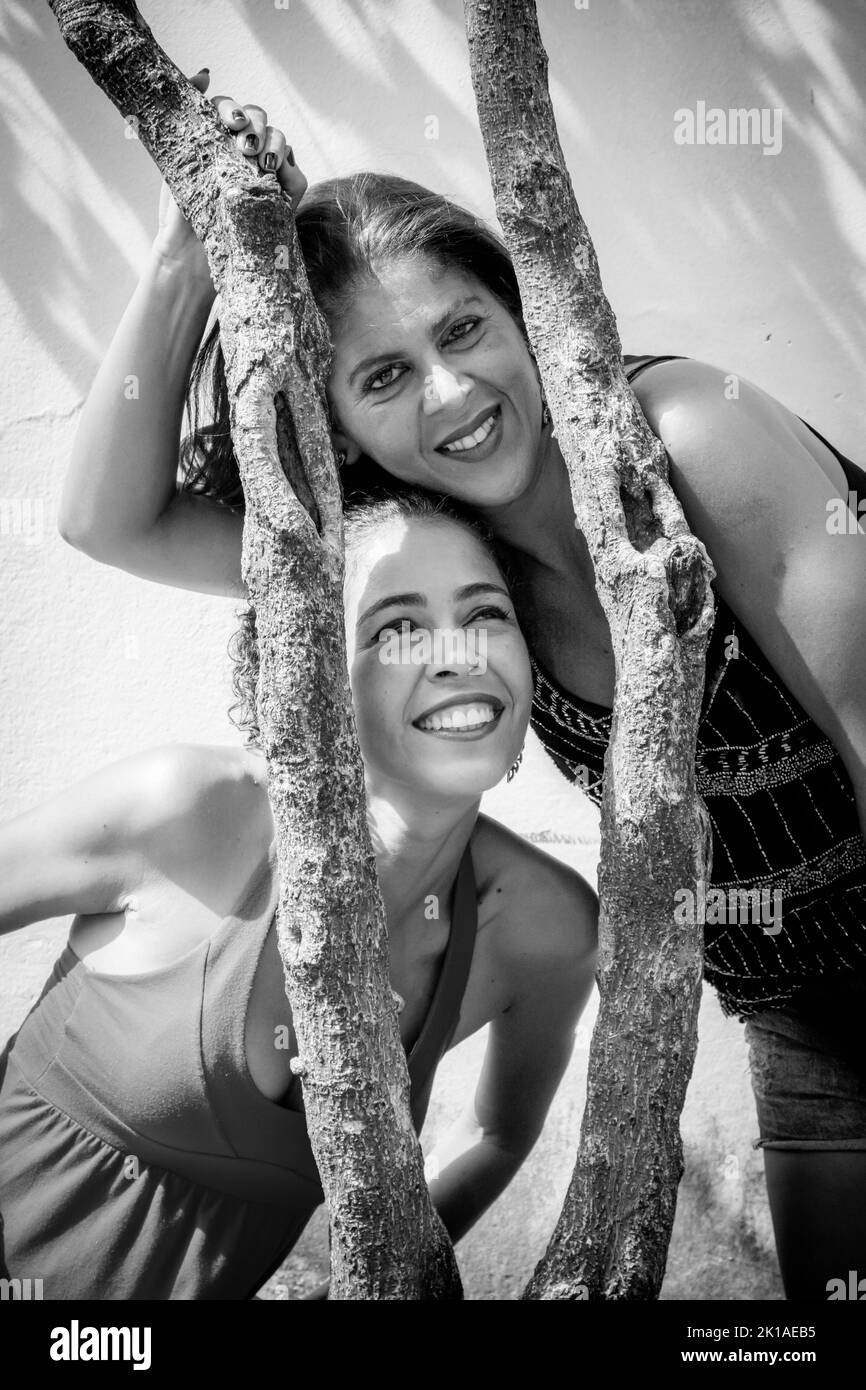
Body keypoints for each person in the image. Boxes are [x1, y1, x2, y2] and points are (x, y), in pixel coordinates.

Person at [57, 81, 866, 1301]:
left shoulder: (684, 440)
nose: (448, 393)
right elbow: (104, 522)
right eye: (379, 379)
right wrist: (189, 249)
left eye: (463, 330)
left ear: (525, 312)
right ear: (337, 431)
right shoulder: (435, 550)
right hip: (799, 1008)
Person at [0, 491, 598, 1300]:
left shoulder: (542, 925)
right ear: (305, 673)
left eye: (486, 612)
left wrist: (373, 1282)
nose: (459, 655)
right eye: (397, 627)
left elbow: (495, 1133)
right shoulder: (187, 810)